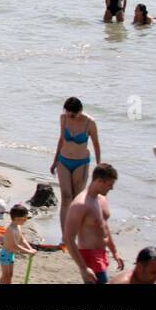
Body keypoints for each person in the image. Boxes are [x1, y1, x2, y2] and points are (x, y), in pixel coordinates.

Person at [63, 163, 121, 284]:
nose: (111, 188)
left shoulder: (101, 199)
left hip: (101, 253)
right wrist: (83, 268)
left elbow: (104, 227)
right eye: (109, 184)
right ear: (99, 181)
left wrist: (114, 252)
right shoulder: (80, 204)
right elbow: (68, 238)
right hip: (89, 256)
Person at [51, 96, 100, 230]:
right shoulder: (63, 118)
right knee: (66, 197)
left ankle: (76, 232)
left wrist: (99, 166)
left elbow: (96, 144)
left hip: (81, 163)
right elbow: (61, 139)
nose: (71, 117)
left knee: (76, 199)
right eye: (68, 113)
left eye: (74, 115)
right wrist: (55, 161)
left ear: (81, 111)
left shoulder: (90, 123)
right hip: (63, 161)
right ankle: (64, 235)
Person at [0, 204, 37, 284]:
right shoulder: (10, 230)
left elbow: (22, 240)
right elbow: (14, 246)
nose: (26, 220)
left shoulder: (18, 227)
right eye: (24, 218)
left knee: (10, 275)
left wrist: (30, 248)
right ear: (16, 218)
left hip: (11, 254)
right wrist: (28, 251)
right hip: (5, 254)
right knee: (5, 275)